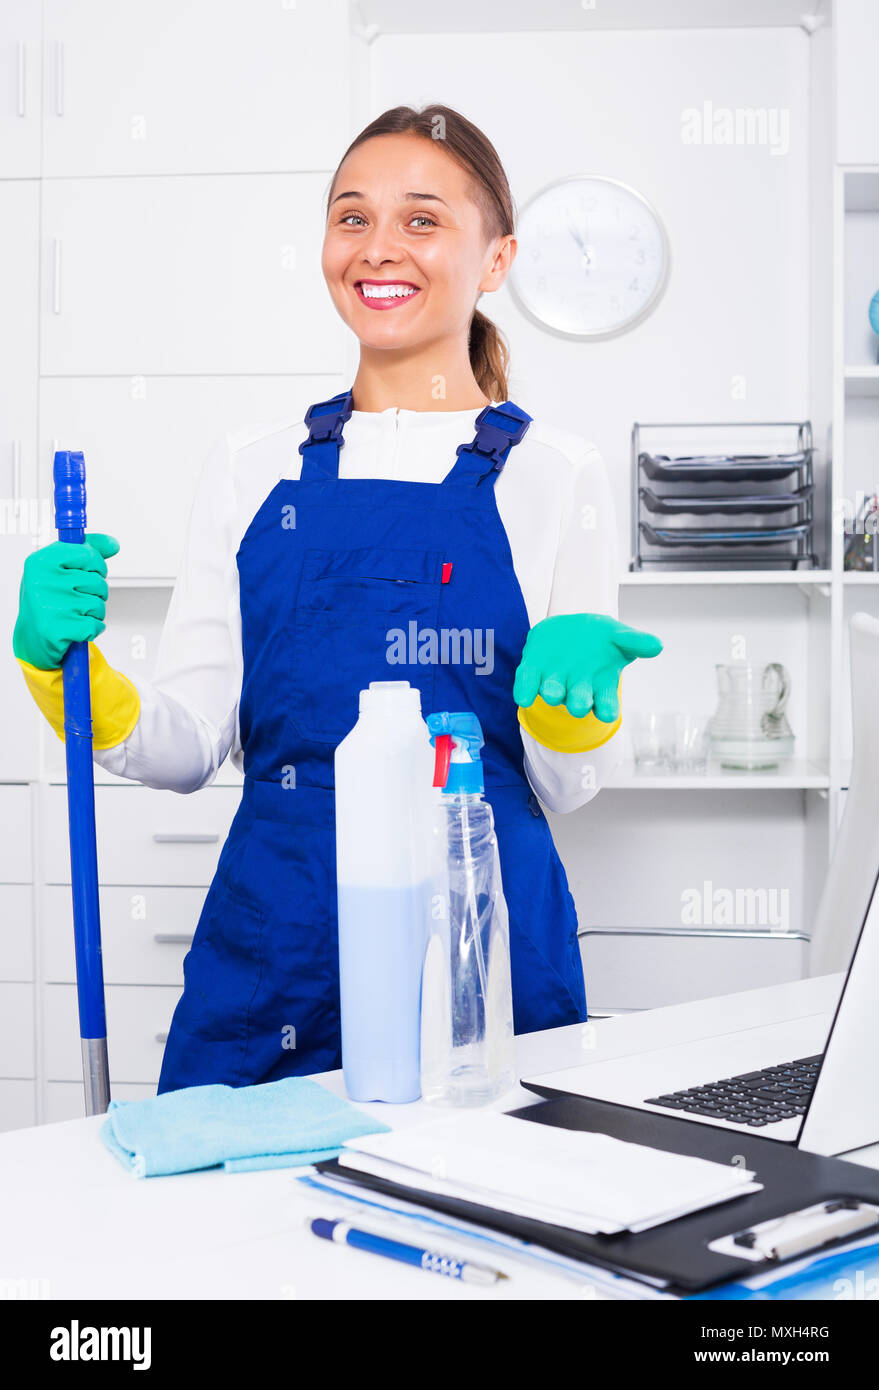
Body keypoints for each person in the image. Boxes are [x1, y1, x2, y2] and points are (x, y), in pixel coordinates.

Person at [13, 105, 661, 1092]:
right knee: (226, 1226)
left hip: (480, 935)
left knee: (494, 1216)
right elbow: (187, 745)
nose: (378, 248)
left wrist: (570, 712)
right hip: (282, 933)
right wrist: (71, 676)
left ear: (497, 260)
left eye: (423, 219)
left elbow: (566, 787)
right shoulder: (249, 465)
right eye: (352, 217)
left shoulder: (554, 472)